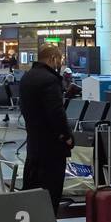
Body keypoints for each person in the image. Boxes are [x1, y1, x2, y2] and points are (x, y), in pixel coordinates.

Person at [19, 43, 73, 211]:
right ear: (53, 58)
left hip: (34, 143)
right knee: (51, 191)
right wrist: (67, 135)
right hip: (51, 147)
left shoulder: (27, 77)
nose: (60, 63)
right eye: (60, 59)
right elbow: (56, 112)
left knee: (32, 191)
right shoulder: (50, 80)